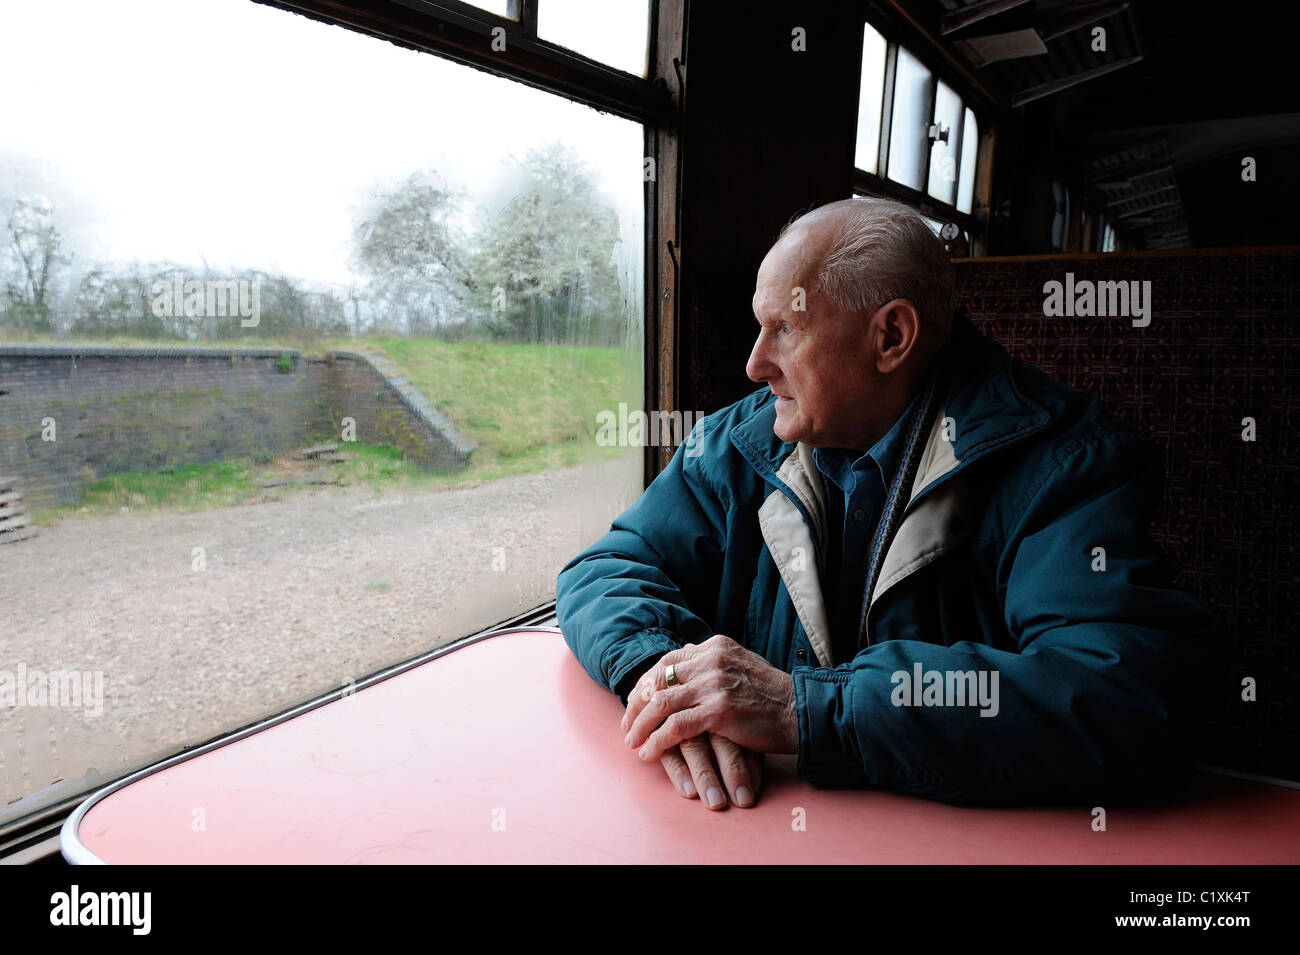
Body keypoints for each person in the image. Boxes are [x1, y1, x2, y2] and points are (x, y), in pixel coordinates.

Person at [556, 197, 1213, 810]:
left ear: (891, 336)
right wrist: (662, 677)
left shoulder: (1065, 463)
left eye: (784, 329)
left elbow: (1129, 693)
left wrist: (809, 710)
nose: (755, 364)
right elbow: (607, 567)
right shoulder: (738, 441)